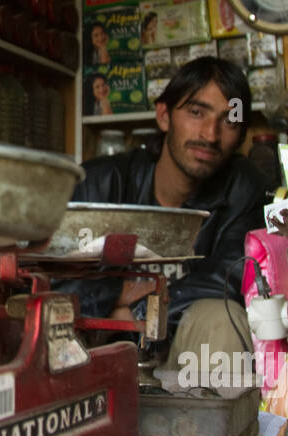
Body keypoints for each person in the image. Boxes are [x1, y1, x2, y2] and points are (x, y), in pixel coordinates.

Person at [63, 58, 267, 372]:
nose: (210, 134)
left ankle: (213, 422)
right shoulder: (99, 184)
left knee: (222, 318)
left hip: (181, 353)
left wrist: (142, 307)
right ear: (164, 116)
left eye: (228, 121)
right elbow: (52, 283)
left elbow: (234, 279)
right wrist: (113, 298)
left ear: (240, 135)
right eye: (196, 112)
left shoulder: (243, 188)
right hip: (97, 350)